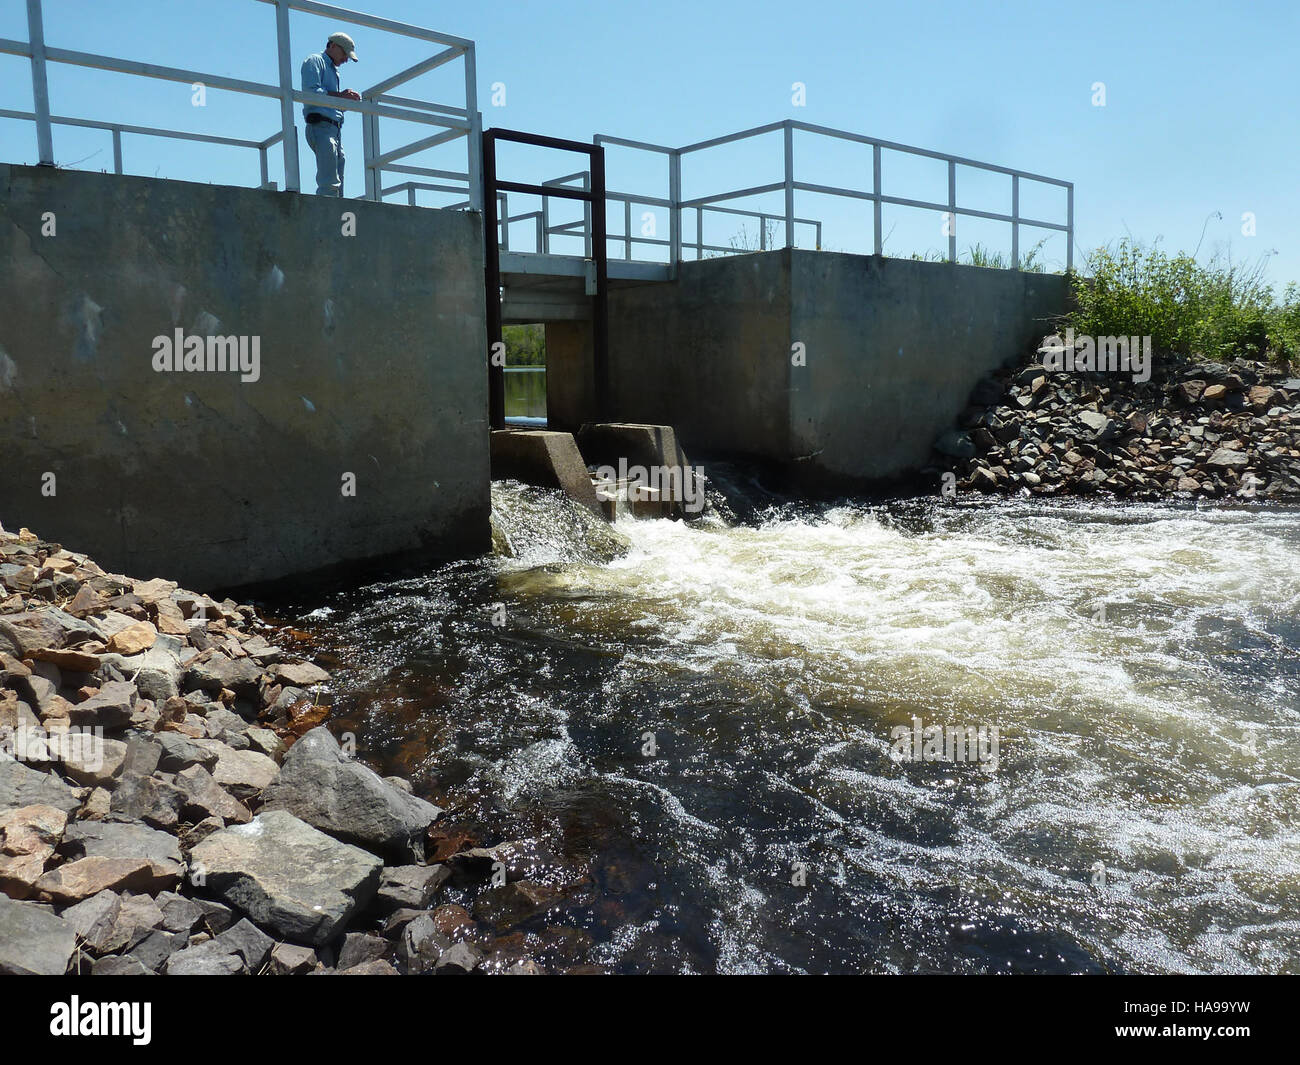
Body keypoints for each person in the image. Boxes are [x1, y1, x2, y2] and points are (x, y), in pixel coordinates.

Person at [300, 32, 360, 196]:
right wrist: (341, 97)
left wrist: (343, 102)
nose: (345, 59)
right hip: (320, 125)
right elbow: (311, 93)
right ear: (333, 46)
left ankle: (334, 214)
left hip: (333, 128)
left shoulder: (332, 70)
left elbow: (326, 97)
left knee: (336, 181)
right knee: (329, 182)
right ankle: (327, 216)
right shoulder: (315, 61)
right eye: (344, 54)